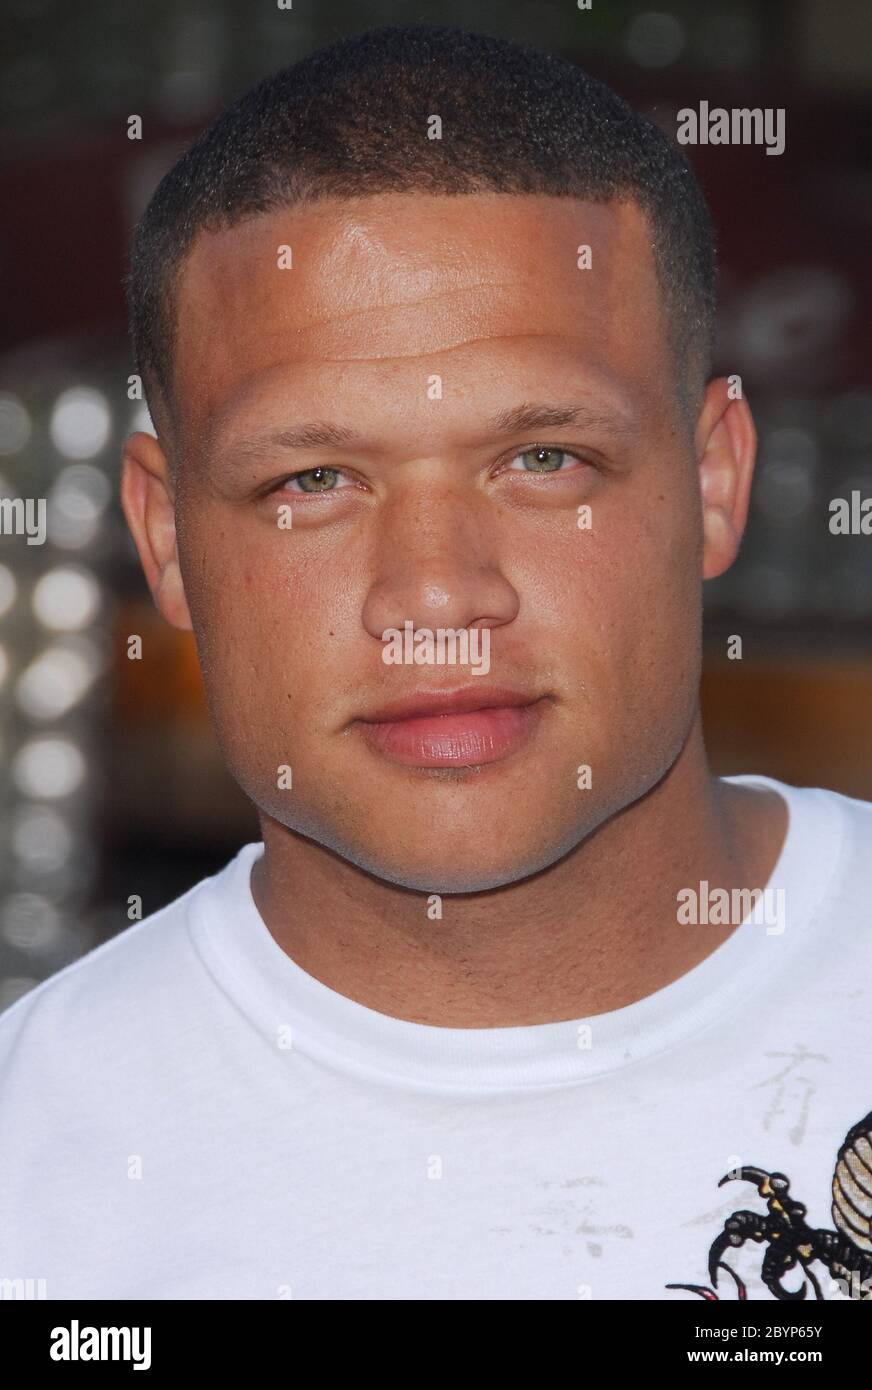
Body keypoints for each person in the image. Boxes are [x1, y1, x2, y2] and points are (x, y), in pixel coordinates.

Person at [2, 23, 870, 1303]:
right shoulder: (34, 1175)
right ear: (166, 537)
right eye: (312, 479)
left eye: (541, 460)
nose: (436, 597)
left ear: (713, 479)